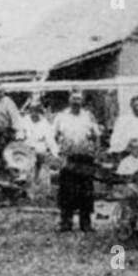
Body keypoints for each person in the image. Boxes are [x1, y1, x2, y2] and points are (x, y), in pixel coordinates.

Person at [51, 90, 101, 232]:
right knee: (67, 192)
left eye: (79, 99)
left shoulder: (88, 116)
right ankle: (66, 223)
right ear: (69, 100)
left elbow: (97, 136)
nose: (76, 101)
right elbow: (52, 137)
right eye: (74, 98)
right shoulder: (61, 117)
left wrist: (96, 153)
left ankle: (86, 223)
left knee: (86, 191)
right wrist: (57, 155)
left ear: (82, 101)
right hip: (68, 158)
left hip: (85, 158)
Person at [24, 107, 60, 181]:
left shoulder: (44, 124)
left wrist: (55, 154)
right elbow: (20, 135)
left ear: (40, 114)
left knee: (40, 163)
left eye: (36, 112)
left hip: (40, 151)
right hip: (27, 150)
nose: (34, 114)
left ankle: (37, 179)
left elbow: (50, 140)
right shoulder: (25, 121)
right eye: (32, 112)